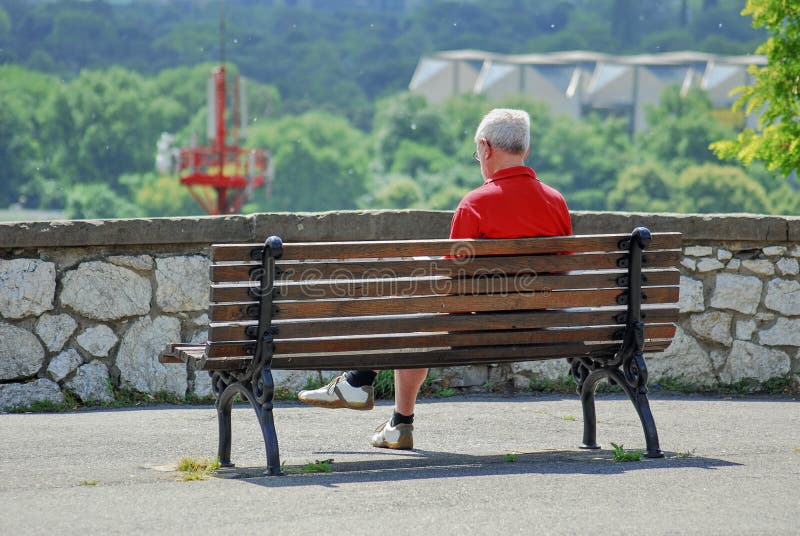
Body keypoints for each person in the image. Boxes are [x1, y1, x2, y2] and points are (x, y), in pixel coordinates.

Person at [297, 108, 572, 450]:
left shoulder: (475, 205)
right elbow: (562, 273)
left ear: (486, 148)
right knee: (420, 309)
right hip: (541, 329)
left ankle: (361, 382)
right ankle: (395, 422)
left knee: (418, 304)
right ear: (525, 151)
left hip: (480, 331)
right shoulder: (556, 202)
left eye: (477, 153)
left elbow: (450, 284)